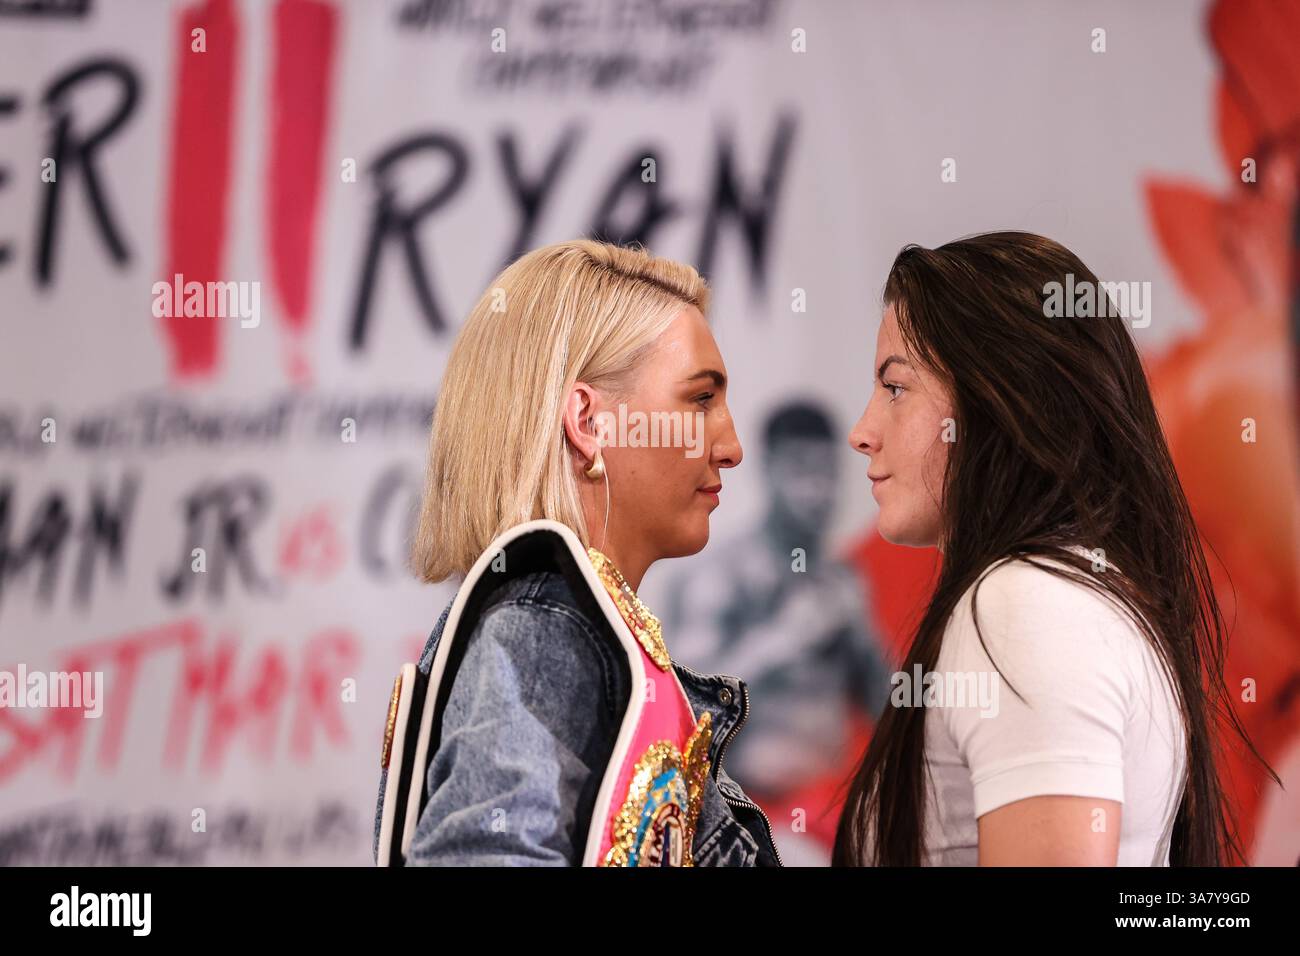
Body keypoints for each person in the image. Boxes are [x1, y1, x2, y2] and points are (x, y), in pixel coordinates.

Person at [835, 231, 1274, 866]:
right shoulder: (1059, 595)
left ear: (995, 399)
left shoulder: (1026, 604)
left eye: (895, 387)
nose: (862, 431)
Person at [373, 238, 781, 866]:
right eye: (700, 400)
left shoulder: (563, 630)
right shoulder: (543, 634)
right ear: (589, 423)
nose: (731, 447)